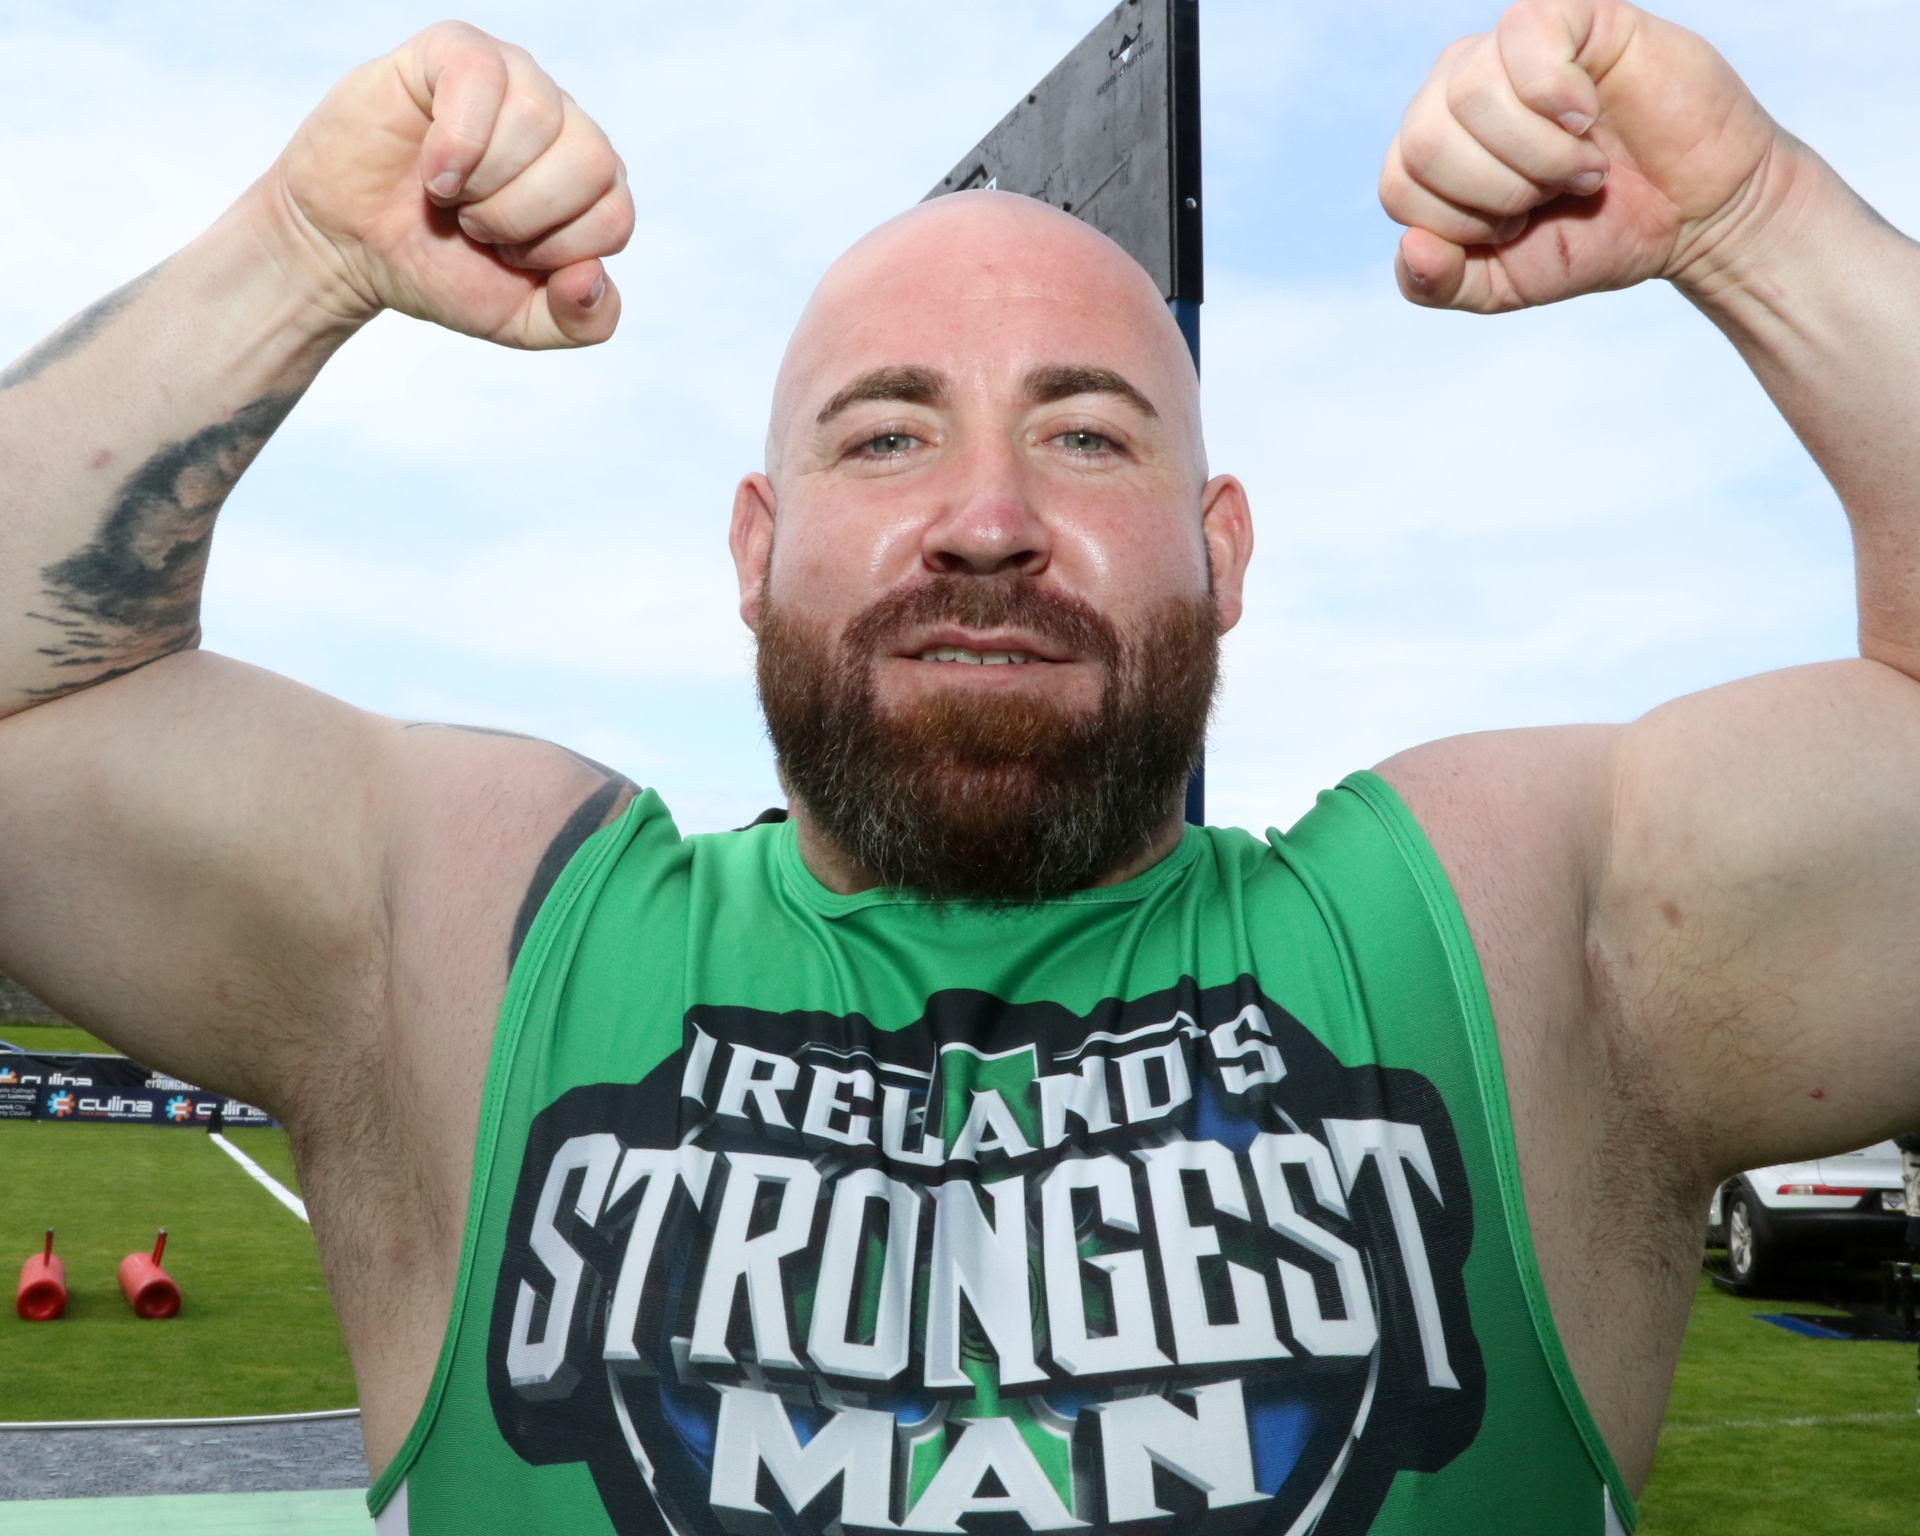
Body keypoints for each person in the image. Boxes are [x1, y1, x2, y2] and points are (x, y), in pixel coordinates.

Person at [3, 3, 1920, 1531]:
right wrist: (298, 253)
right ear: (755, 547)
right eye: (887, 439)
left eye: (1087, 439)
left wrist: (1758, 219)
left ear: (1223, 550)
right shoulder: (483, 933)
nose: (985, 520)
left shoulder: (1505, 932)